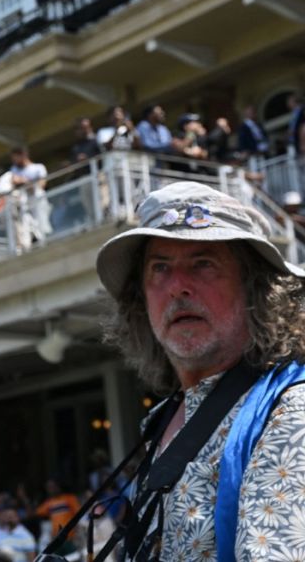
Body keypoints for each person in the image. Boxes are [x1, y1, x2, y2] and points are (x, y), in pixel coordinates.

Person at [96, 181, 305, 558]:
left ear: (254, 288)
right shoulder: (163, 419)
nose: (177, 287)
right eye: (160, 267)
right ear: (140, 300)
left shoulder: (290, 411)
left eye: (203, 263)